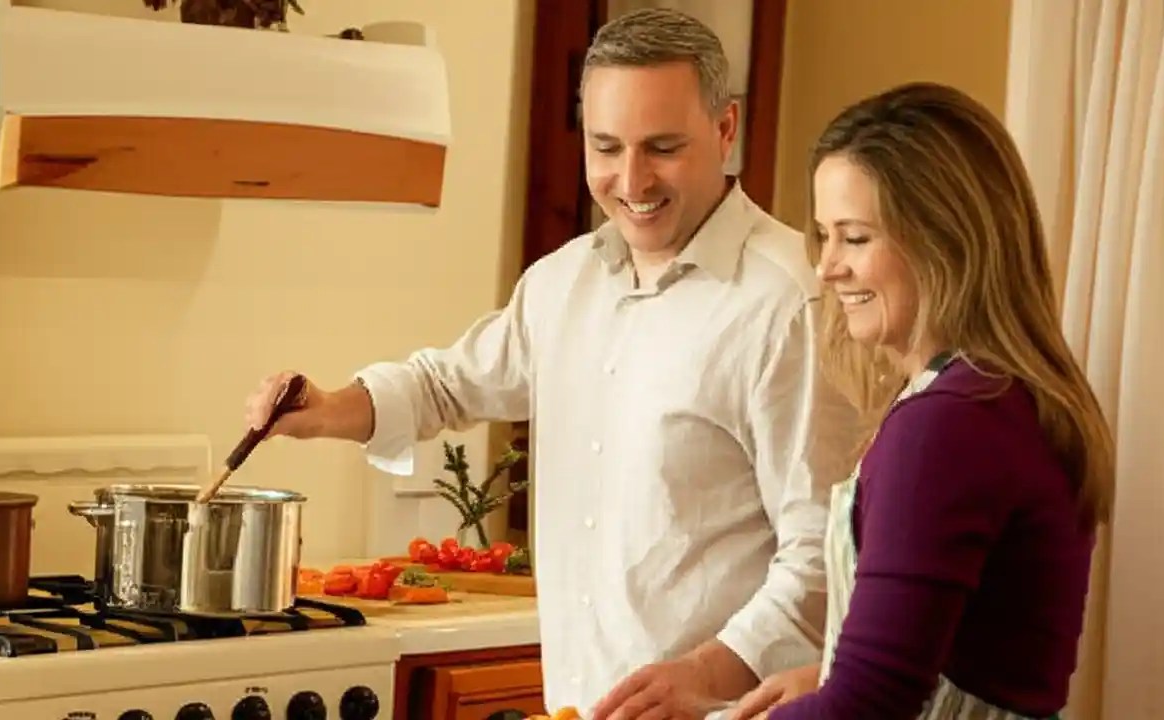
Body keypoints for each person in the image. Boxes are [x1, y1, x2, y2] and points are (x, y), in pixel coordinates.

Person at [242, 8, 859, 719]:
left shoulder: (789, 303)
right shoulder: (566, 282)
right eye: (606, 147)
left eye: (662, 146)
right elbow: (449, 382)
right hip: (577, 701)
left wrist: (705, 673)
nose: (631, 179)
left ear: (726, 130)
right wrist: (328, 408)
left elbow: (822, 553)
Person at [730, 81, 1115, 719]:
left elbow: (869, 707)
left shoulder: (946, 424)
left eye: (854, 238)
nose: (827, 268)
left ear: (945, 240)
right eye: (824, 235)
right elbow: (969, 659)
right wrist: (825, 676)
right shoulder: (999, 396)